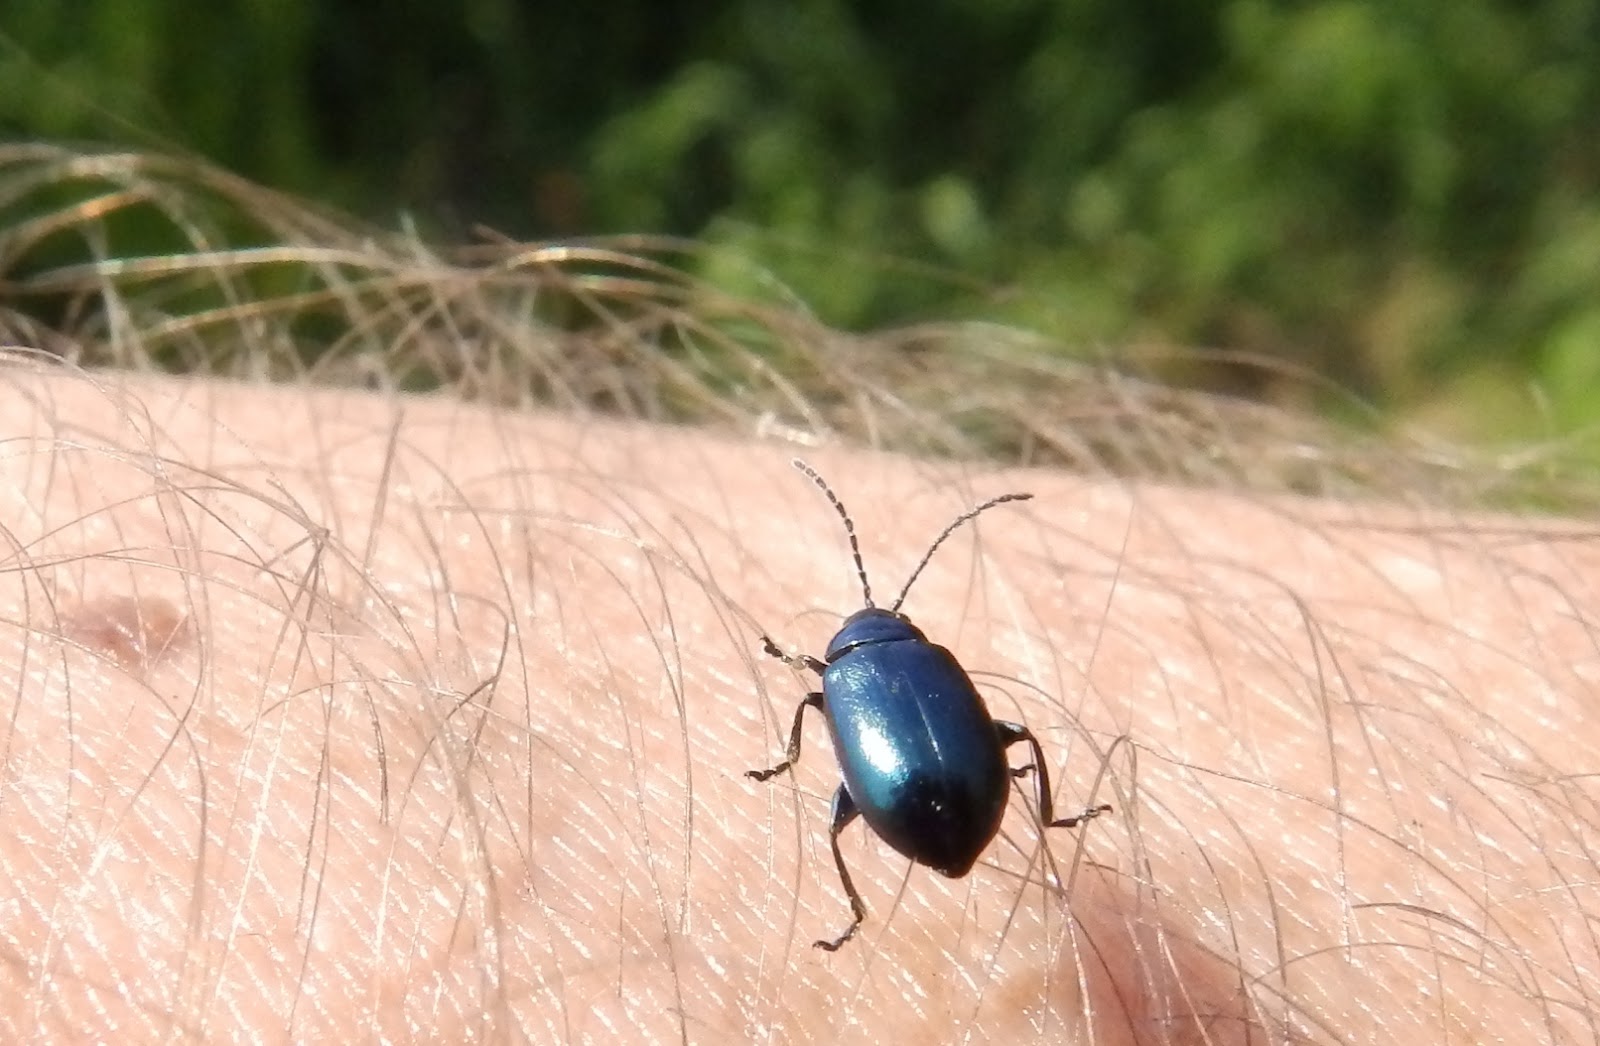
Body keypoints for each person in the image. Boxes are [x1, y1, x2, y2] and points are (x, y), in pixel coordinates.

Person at [1, 355, 1594, 1042]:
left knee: (957, 771)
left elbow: (886, 713)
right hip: (937, 790)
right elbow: (959, 715)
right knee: (1012, 754)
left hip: (911, 802)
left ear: (839, 667)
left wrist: (809, 744)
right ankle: (961, 835)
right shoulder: (887, 670)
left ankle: (862, 872)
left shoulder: (841, 679)